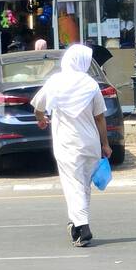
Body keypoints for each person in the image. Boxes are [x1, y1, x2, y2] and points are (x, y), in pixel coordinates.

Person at [31, 44, 112, 247]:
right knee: (83, 186)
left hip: (67, 143)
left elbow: (38, 106)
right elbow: (100, 118)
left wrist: (41, 119)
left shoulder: (55, 82)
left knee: (73, 185)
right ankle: (76, 225)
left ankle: (83, 228)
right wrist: (105, 144)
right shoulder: (91, 84)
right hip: (90, 143)